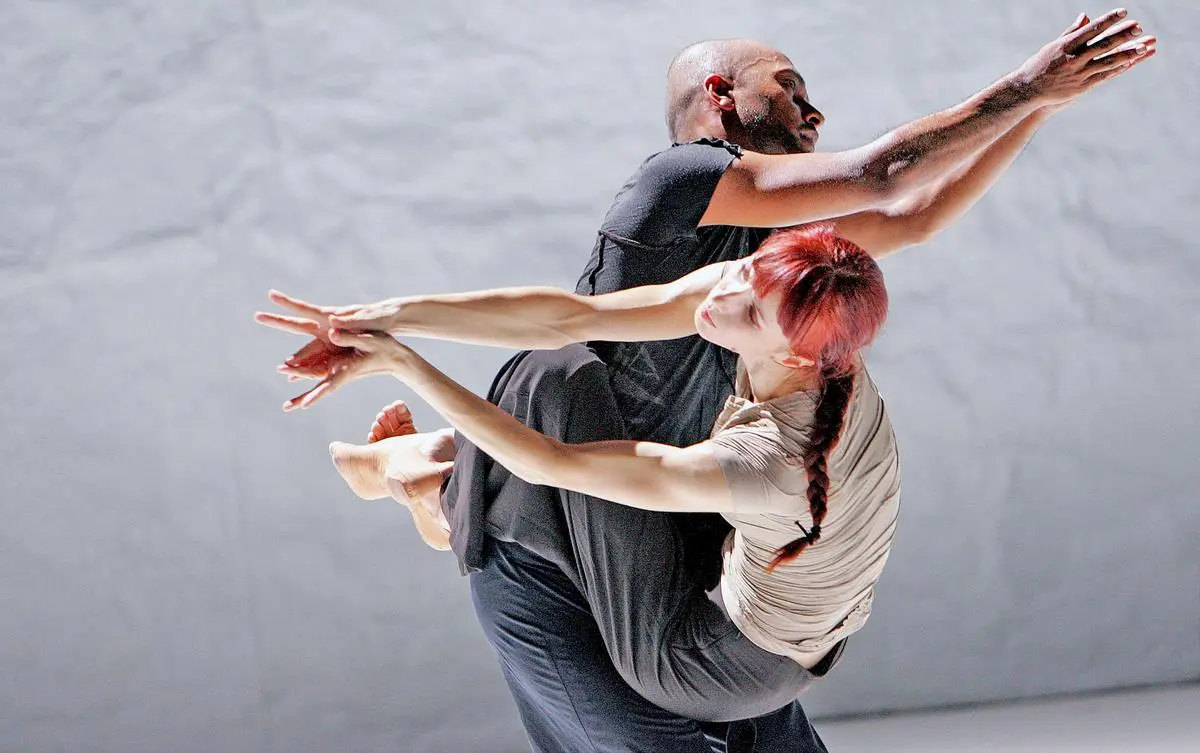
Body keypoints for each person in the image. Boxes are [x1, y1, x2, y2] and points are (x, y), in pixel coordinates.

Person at [257, 13, 1154, 751]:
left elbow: (914, 217)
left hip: (670, 493)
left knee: (553, 433)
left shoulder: (771, 272)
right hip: (597, 473)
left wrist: (1046, 111)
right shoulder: (681, 178)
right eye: (789, 89)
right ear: (722, 96)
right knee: (550, 379)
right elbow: (883, 180)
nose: (814, 111)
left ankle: (425, 479)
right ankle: (434, 486)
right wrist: (1027, 87)